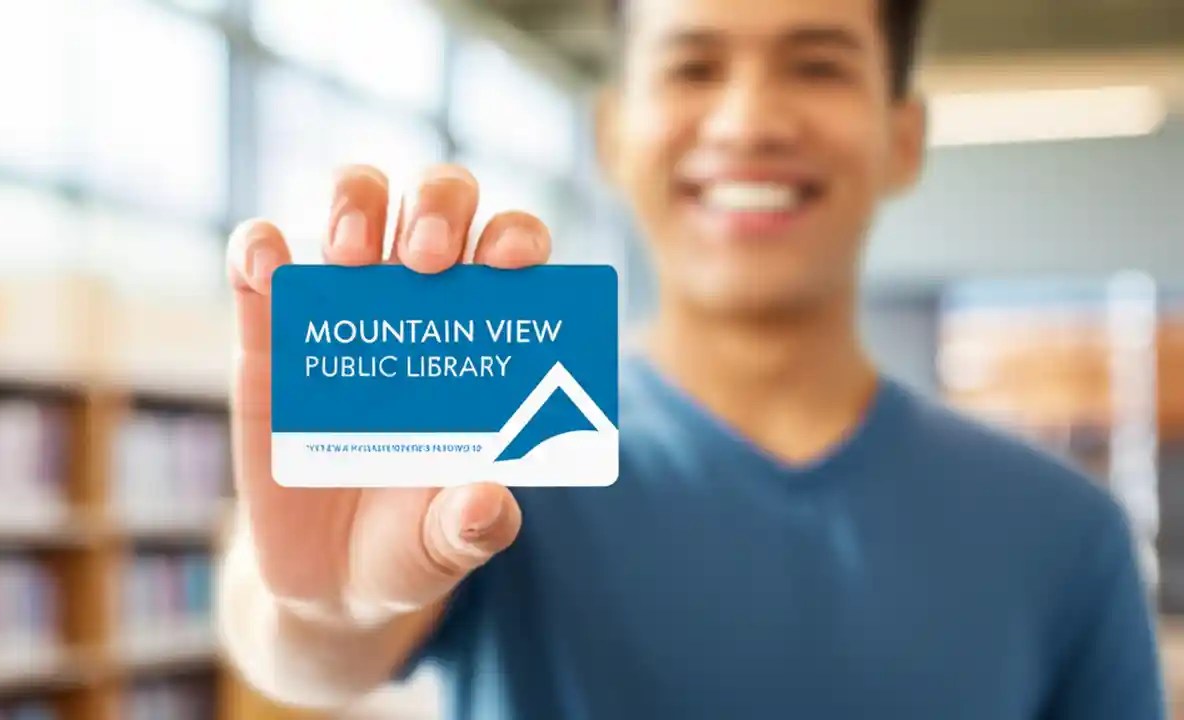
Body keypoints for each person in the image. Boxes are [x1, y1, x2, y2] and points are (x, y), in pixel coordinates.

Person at [218, 0, 1165, 717]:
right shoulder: (494, 455)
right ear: (611, 136)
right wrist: (324, 610)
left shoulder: (1069, 537)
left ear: (902, 138)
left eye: (818, 65)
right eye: (692, 66)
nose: (748, 120)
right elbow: (298, 639)